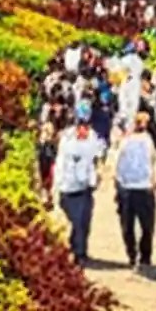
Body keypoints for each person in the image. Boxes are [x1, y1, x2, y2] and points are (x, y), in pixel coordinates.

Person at [55, 102, 104, 264]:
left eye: (86, 124)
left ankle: (81, 251)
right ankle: (75, 251)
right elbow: (61, 162)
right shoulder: (66, 138)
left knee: (84, 221)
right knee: (75, 222)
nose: (83, 127)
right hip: (68, 186)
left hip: (85, 187)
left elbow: (99, 156)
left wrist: (97, 174)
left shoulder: (93, 137)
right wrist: (57, 185)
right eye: (81, 123)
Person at [113, 111, 156, 270]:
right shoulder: (133, 141)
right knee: (139, 226)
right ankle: (138, 255)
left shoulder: (143, 140)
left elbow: (117, 165)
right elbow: (117, 163)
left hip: (136, 187)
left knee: (135, 226)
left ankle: (138, 255)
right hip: (135, 187)